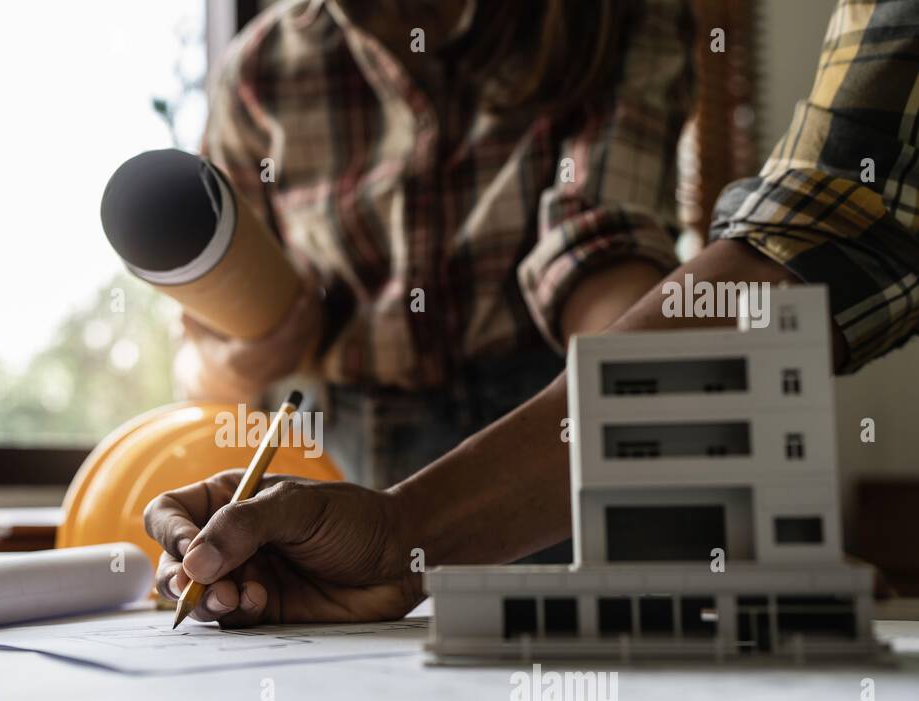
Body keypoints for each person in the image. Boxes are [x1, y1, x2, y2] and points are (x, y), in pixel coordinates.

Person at [146, 0, 919, 626]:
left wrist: (699, 482)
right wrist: (256, 351)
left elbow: (605, 256)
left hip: (553, 450)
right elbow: (201, 362)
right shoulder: (255, 75)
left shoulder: (603, 18)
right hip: (357, 473)